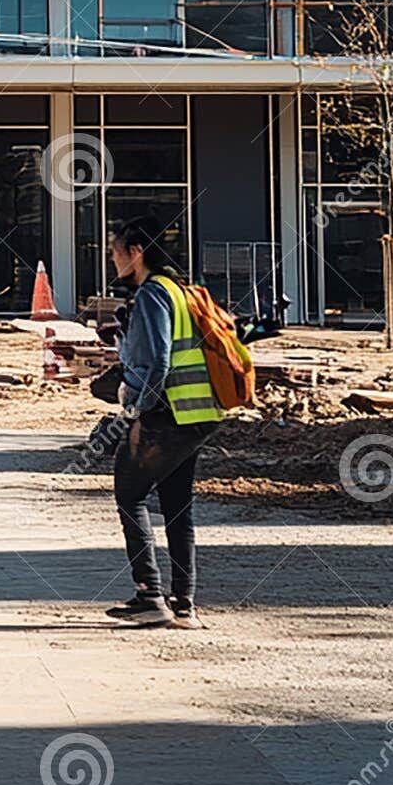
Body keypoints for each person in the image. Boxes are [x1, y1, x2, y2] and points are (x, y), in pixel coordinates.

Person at [104, 217, 223, 630]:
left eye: (116, 252)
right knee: (176, 505)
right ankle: (184, 604)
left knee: (129, 493)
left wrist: (136, 408)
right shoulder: (178, 289)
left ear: (136, 253)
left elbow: (159, 361)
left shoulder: (154, 293)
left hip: (167, 412)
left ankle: (149, 594)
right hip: (198, 413)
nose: (112, 260)